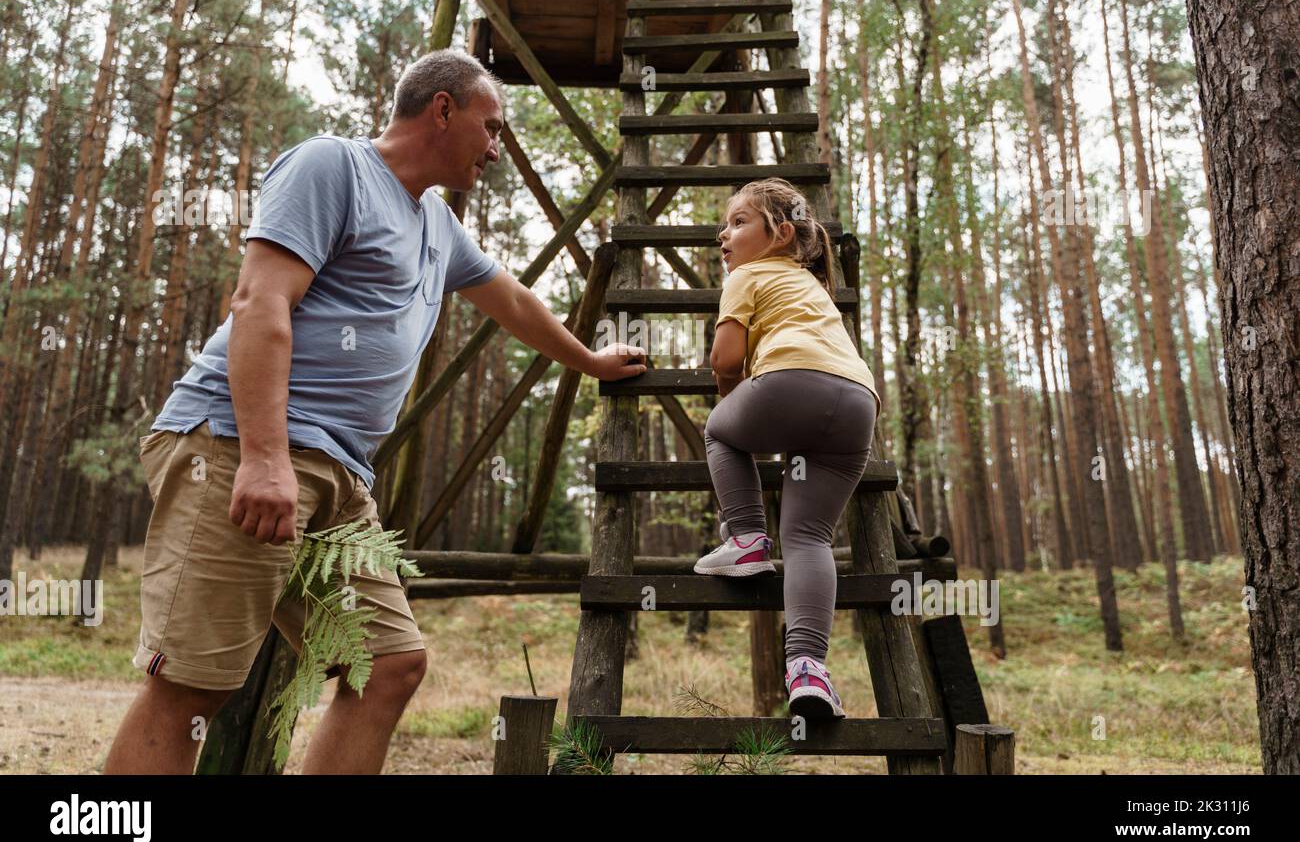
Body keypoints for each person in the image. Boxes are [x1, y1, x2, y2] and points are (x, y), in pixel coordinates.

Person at [104, 50, 646, 774]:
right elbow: (259, 301)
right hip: (238, 447)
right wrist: (265, 459)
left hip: (338, 477)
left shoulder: (437, 224)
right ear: (442, 109)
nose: (496, 149)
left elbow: (512, 300)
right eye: (491, 128)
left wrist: (590, 361)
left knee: (389, 665)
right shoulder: (334, 167)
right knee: (191, 688)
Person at [695, 178, 881, 720]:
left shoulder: (746, 275)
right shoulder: (809, 284)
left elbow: (727, 360)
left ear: (778, 234)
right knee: (807, 538)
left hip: (788, 385)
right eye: (722, 228)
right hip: (857, 405)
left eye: (737, 223)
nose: (723, 236)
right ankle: (808, 671)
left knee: (719, 431)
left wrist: (734, 403)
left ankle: (749, 538)